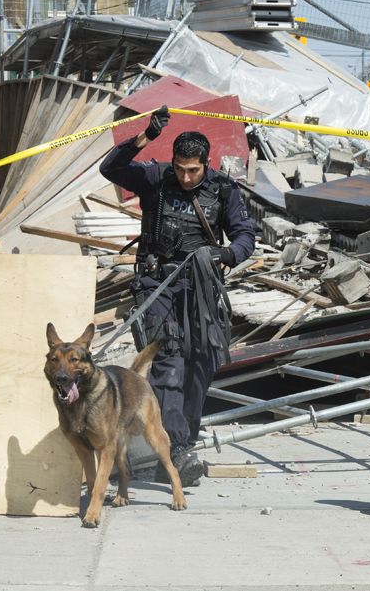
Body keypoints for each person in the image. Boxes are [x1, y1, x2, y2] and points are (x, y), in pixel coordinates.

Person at [100, 106, 255, 486]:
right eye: (181, 168)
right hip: (157, 288)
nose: (185, 177)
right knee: (169, 365)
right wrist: (145, 136)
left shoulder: (223, 190)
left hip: (200, 290)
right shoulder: (156, 179)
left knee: (200, 365)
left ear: (206, 164)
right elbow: (111, 169)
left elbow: (245, 237)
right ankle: (176, 450)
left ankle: (181, 441)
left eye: (194, 171)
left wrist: (224, 254)